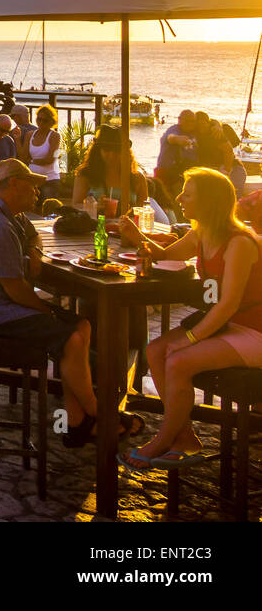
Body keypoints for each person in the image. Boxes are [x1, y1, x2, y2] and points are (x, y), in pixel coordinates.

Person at [0, 158, 108, 446]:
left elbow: (33, 235)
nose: (37, 193)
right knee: (72, 338)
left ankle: (76, 422)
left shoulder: (3, 210)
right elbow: (14, 288)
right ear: (14, 184)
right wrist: (46, 311)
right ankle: (99, 414)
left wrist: (34, 251)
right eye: (32, 187)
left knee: (81, 326)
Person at [119, 168, 262, 468]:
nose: (180, 197)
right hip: (227, 325)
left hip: (253, 332)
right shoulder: (202, 232)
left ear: (209, 201)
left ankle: (162, 440)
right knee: (155, 351)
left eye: (188, 192)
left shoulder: (239, 243)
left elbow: (227, 304)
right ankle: (183, 437)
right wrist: (138, 236)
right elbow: (166, 256)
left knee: (178, 359)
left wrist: (191, 339)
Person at [71, 124, 149, 211]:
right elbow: (76, 204)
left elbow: (144, 209)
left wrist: (131, 210)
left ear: (125, 152)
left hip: (126, 224)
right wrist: (95, 207)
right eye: (107, 149)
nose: (112, 155)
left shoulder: (137, 178)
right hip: (94, 223)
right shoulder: (85, 175)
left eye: (117, 150)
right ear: (98, 150)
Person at [156, 109, 198, 195]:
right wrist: (178, 139)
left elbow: (209, 122)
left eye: (192, 121)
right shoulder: (174, 129)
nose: (190, 124)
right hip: (168, 174)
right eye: (187, 121)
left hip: (187, 174)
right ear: (180, 120)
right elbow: (170, 137)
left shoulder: (194, 132)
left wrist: (216, 125)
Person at [25, 105, 61, 201]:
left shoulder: (55, 136)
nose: (41, 122)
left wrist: (32, 161)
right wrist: (16, 139)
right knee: (31, 210)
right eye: (39, 119)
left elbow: (50, 159)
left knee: (48, 210)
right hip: (33, 179)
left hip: (49, 179)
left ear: (51, 122)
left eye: (45, 120)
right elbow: (23, 156)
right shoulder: (30, 135)